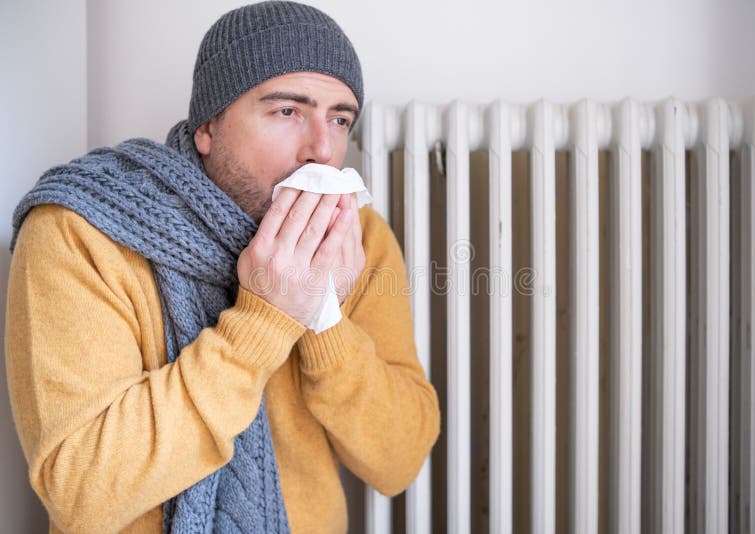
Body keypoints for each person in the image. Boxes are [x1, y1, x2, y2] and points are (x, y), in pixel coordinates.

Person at [4, 2, 440, 533]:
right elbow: (80, 492)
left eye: (340, 119)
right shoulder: (81, 230)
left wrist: (324, 318)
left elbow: (400, 461)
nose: (323, 150)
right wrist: (263, 322)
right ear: (208, 126)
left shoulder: (356, 237)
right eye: (288, 111)